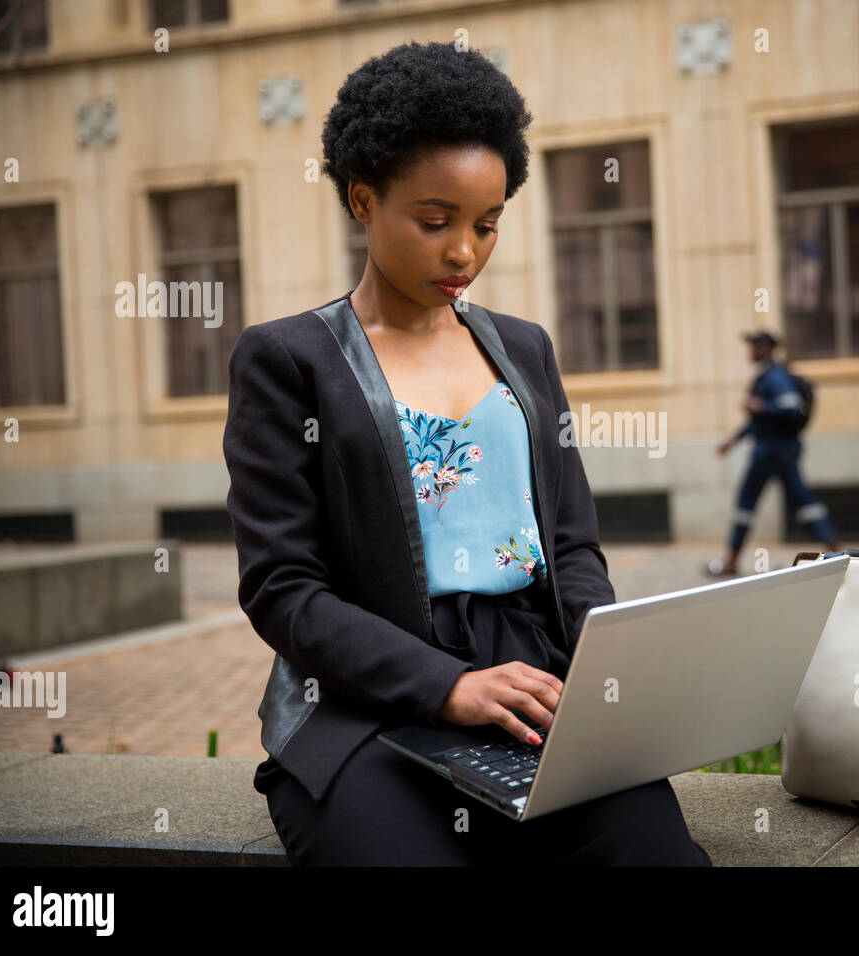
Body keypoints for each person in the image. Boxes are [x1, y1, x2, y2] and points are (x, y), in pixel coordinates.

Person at [222, 41, 710, 866]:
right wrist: (444, 686)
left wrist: (607, 672)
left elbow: (570, 545)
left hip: (536, 692)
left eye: (486, 225)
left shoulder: (525, 349)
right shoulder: (288, 360)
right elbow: (283, 588)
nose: (464, 254)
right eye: (435, 221)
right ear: (364, 199)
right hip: (364, 710)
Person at [705, 330, 840, 577]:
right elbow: (757, 423)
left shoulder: (774, 377)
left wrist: (760, 405)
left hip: (770, 453)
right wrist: (733, 441)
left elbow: (790, 408)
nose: (751, 351)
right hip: (780, 452)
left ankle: (731, 561)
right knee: (803, 503)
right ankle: (836, 550)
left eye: (755, 346)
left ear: (766, 348)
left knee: (746, 504)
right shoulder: (767, 376)